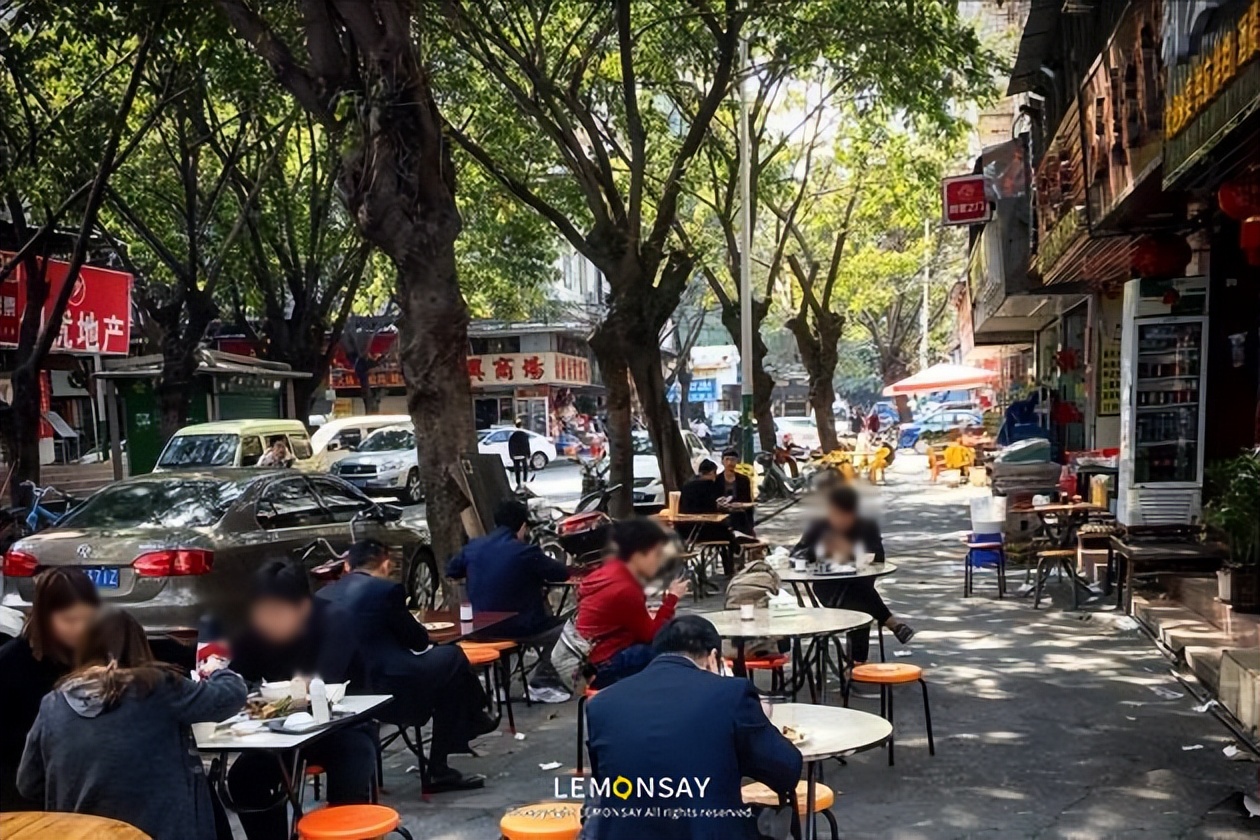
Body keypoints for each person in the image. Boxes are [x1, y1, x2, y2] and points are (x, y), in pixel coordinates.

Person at [17, 609, 247, 840]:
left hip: (83, 833)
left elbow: (28, 784)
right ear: (139, 644)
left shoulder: (53, 703)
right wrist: (218, 669)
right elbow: (230, 698)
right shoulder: (156, 686)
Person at [582, 615, 802, 840]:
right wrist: (759, 723)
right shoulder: (731, 694)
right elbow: (786, 771)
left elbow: (606, 779)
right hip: (706, 830)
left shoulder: (602, 703)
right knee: (777, 823)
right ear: (713, 658)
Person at [316, 539, 495, 792]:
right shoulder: (385, 591)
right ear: (386, 563)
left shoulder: (322, 595)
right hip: (390, 684)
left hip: (343, 690)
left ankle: (473, 719)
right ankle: (459, 738)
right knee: (452, 657)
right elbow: (417, 640)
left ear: (346, 565)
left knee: (450, 678)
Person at [227, 561, 376, 839]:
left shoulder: (335, 620)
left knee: (353, 766)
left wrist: (261, 701)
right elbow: (235, 678)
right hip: (281, 733)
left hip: (340, 726)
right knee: (243, 778)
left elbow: (318, 684)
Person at [446, 499, 572, 702]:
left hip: (479, 627)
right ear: (523, 527)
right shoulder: (525, 552)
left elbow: (451, 570)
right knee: (571, 629)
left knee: (500, 616)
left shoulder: (474, 547)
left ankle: (497, 685)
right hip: (520, 627)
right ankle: (542, 682)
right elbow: (561, 573)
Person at [0, 568, 100, 810]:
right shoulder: (12, 661)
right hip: (23, 793)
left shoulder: (99, 655)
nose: (79, 628)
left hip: (86, 789)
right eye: (69, 620)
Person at [791, 485, 915, 662]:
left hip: (859, 581)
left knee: (859, 604)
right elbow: (797, 553)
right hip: (828, 586)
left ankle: (857, 661)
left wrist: (854, 556)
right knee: (861, 603)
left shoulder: (866, 526)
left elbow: (878, 557)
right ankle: (890, 625)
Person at [576, 518, 688, 688]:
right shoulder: (626, 588)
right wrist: (672, 598)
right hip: (604, 664)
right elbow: (650, 635)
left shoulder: (611, 570)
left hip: (590, 657)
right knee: (675, 649)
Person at [508, 419, 532, 490]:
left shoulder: (512, 436)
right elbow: (527, 445)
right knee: (525, 467)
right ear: (521, 426)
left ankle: (518, 482)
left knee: (517, 468)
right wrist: (528, 453)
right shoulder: (524, 435)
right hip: (523, 454)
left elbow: (510, 446)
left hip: (515, 454)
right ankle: (524, 480)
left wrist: (511, 455)